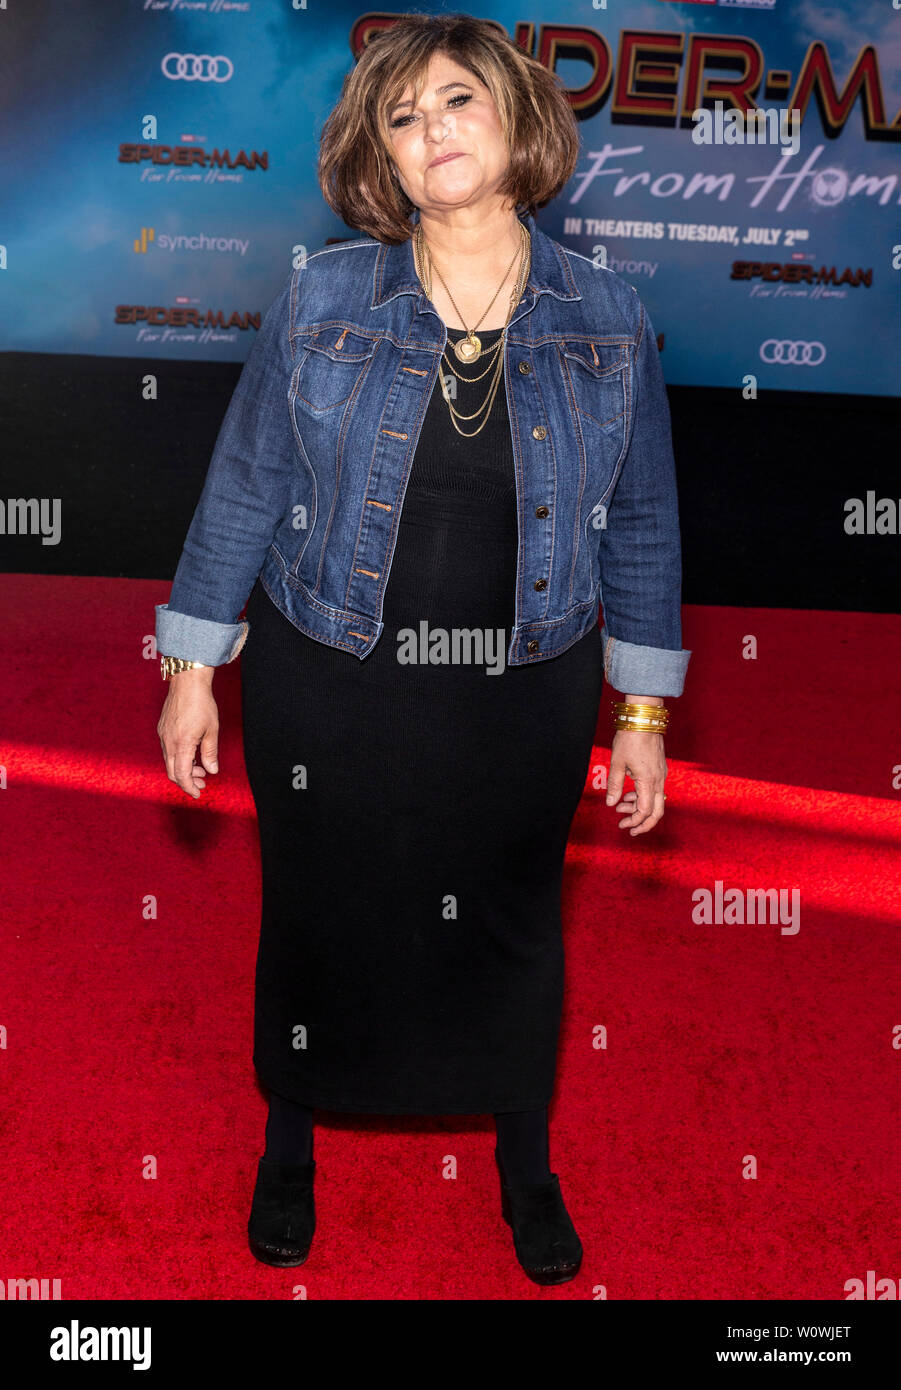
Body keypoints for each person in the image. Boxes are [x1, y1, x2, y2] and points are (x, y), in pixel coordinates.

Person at [155, 12, 691, 1286]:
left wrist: (643, 714)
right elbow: (245, 480)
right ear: (379, 158)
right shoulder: (326, 295)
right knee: (318, 913)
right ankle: (291, 1140)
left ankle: (523, 1159)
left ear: (516, 119)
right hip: (328, 677)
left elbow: (648, 522)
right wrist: (190, 667)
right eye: (402, 117)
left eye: (456, 99)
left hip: (523, 685)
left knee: (508, 925)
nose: (431, 129)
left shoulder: (609, 314)